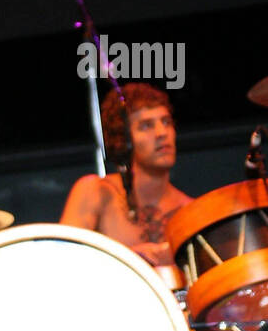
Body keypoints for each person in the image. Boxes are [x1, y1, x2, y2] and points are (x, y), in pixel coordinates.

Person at [60, 83, 190, 267]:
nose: (162, 133)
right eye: (146, 126)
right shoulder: (95, 191)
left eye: (166, 122)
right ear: (123, 139)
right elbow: (61, 259)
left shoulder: (190, 210)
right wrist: (127, 258)